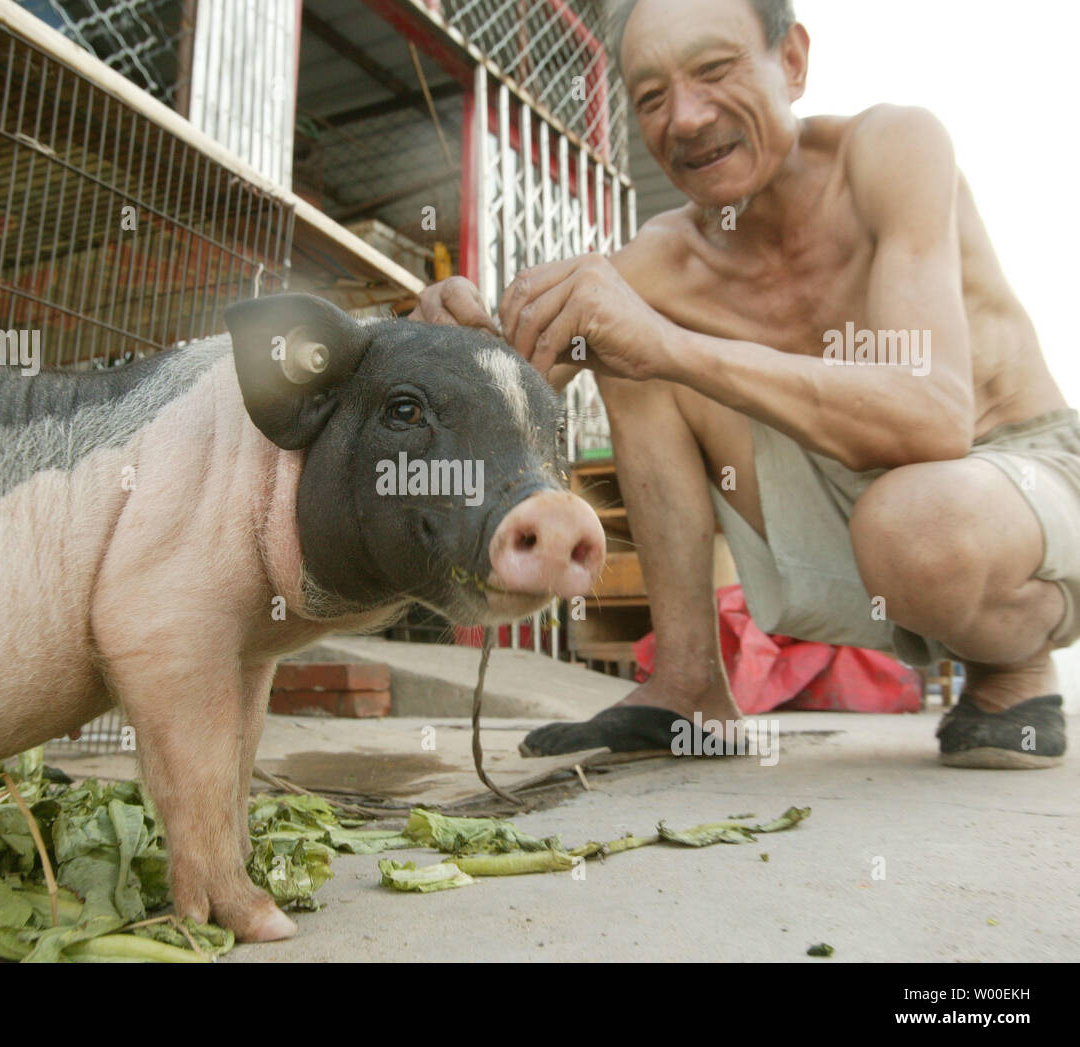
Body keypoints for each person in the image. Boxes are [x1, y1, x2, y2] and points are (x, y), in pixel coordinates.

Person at [410, 0, 1075, 767]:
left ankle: (1014, 657)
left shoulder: (893, 148)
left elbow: (931, 419)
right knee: (623, 337)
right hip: (869, 506)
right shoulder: (666, 257)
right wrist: (442, 353)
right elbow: (514, 373)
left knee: (911, 520)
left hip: (1017, 478)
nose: (686, 119)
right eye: (652, 97)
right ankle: (690, 686)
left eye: (714, 70)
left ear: (791, 60)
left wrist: (670, 342)